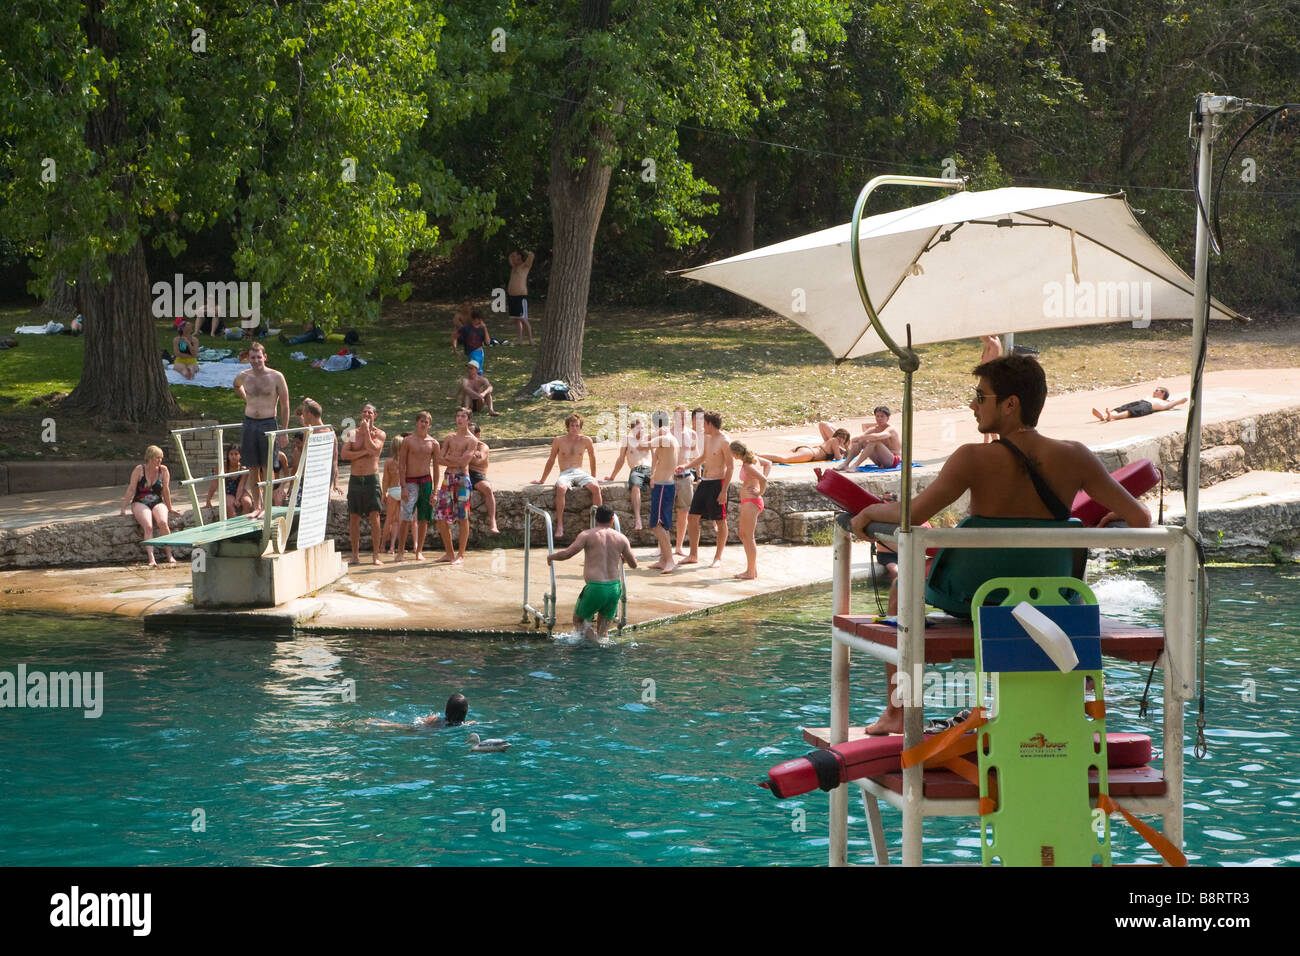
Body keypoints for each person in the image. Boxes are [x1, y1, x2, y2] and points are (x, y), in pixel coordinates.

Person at [849, 354, 1152, 734]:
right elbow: (1141, 519)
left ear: (1011, 404)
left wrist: (867, 512)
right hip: (1050, 600)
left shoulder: (972, 458)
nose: (972, 405)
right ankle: (1059, 708)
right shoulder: (1076, 456)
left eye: (980, 396)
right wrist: (1110, 518)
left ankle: (898, 712)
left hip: (975, 598)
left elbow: (911, 513)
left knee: (900, 586)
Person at [548, 505, 636, 643]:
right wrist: (623, 561)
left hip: (596, 587)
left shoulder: (587, 535)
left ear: (596, 519)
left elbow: (567, 554)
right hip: (614, 588)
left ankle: (594, 644)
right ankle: (602, 650)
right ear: (612, 520)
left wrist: (551, 557)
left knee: (579, 620)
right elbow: (634, 564)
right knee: (603, 631)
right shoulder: (621, 538)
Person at [233, 341, 290, 518]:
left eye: (259, 357)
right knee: (252, 467)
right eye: (252, 357)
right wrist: (246, 399)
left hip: (268, 423)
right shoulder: (244, 375)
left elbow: (285, 404)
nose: (256, 361)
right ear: (248, 359)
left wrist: (284, 431)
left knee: (267, 467)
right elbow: (236, 385)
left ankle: (266, 506)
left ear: (264, 357)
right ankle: (256, 506)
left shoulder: (276, 376)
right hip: (249, 422)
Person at [532, 413, 602, 539]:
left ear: (581, 427)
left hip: (579, 472)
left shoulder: (586, 440)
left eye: (577, 426)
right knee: (561, 488)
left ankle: (600, 524)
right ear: (567, 427)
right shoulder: (559, 440)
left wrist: (594, 476)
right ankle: (560, 525)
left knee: (596, 488)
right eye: (572, 426)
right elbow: (551, 459)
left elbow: (593, 458)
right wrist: (542, 480)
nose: (575, 428)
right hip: (565, 472)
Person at [678, 411, 733, 568]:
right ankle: (693, 554)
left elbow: (730, 467)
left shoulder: (725, 441)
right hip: (705, 482)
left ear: (710, 424)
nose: (701, 427)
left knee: (720, 521)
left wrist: (724, 491)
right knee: (692, 517)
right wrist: (685, 466)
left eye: (704, 424)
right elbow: (703, 457)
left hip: (718, 483)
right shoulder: (708, 439)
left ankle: (718, 557)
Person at [341, 403, 386, 565]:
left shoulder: (380, 433)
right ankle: (355, 555)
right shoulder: (352, 433)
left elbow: (374, 450)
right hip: (355, 479)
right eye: (364, 412)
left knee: (375, 517)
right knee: (354, 517)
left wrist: (366, 432)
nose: (366, 414)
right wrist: (362, 453)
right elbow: (344, 454)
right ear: (361, 414)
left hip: (371, 479)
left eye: (370, 412)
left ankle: (375, 555)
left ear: (375, 415)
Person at [119, 445, 180, 566]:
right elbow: (131, 489)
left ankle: (169, 554)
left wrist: (170, 507)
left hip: (157, 500)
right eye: (157, 458)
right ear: (150, 458)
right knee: (148, 526)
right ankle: (151, 558)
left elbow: (166, 490)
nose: (160, 460)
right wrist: (123, 508)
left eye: (161, 458)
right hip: (140, 501)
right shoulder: (139, 469)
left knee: (163, 522)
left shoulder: (163, 470)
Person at [395, 412, 440, 561]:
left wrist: (435, 491)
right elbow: (401, 465)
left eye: (426, 422)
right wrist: (402, 486)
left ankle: (419, 551)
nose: (423, 424)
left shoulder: (433, 443)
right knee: (406, 516)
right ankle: (400, 551)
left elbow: (436, 468)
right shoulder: (408, 441)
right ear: (416, 422)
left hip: (426, 481)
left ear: (430, 425)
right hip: (410, 481)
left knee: (424, 518)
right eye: (421, 421)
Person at [435, 408, 478, 564]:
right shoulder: (449, 438)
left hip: (462, 479)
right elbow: (439, 458)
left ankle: (461, 554)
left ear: (468, 419)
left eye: (463, 416)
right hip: (448, 477)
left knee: (463, 516)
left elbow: (463, 462)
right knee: (441, 516)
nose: (459, 419)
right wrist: (454, 459)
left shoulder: (472, 440)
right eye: (457, 416)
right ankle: (449, 553)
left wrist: (450, 458)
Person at [604, 415, 653, 531]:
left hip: (650, 469)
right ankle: (638, 518)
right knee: (635, 486)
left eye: (642, 428)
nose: (640, 431)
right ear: (632, 430)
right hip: (636, 470)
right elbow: (621, 459)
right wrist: (612, 476)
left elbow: (657, 456)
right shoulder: (627, 440)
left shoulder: (649, 439)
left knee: (660, 486)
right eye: (637, 428)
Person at [646, 411, 679, 574]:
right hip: (662, 485)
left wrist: (655, 434)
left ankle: (670, 560)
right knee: (660, 525)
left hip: (664, 487)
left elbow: (643, 444)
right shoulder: (668, 440)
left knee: (658, 525)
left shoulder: (666, 439)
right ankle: (663, 560)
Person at [730, 441, 768, 580]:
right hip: (749, 501)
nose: (732, 457)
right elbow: (768, 463)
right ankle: (752, 570)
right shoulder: (754, 459)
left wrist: (759, 492)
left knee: (748, 536)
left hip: (752, 502)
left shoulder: (748, 465)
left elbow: (763, 479)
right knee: (743, 535)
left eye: (732, 454)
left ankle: (750, 572)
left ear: (736, 453)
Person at [671, 407, 702, 556]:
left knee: (684, 512)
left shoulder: (692, 434)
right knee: (664, 511)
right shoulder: (667, 434)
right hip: (668, 477)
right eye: (679, 417)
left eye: (684, 417)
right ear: (674, 418)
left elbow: (696, 456)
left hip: (685, 476)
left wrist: (699, 476)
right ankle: (660, 546)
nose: (682, 419)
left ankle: (679, 546)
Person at [837, 406, 902, 471]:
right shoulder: (874, 429)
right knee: (860, 442)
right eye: (877, 416)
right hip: (879, 461)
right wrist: (852, 441)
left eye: (882, 416)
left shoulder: (891, 429)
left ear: (887, 418)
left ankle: (855, 465)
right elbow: (860, 437)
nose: (879, 418)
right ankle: (845, 463)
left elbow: (877, 436)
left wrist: (859, 437)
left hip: (892, 461)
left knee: (874, 441)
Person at [369, 693, 470, 730]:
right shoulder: (464, 725)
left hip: (420, 729)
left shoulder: (435, 719)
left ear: (447, 711)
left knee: (397, 726)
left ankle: (375, 723)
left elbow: (420, 721)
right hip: (433, 731)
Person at [761, 422, 851, 464]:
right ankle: (755, 455)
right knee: (783, 459)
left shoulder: (830, 441)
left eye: (844, 439)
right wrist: (845, 450)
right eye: (841, 437)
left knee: (776, 457)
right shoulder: (834, 440)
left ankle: (759, 456)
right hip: (810, 454)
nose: (841, 439)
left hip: (808, 451)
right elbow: (838, 457)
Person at [468, 424, 500, 535]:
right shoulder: (461, 444)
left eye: (470, 432)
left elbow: (477, 461)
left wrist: (465, 455)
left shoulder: (483, 447)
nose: (468, 435)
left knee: (487, 488)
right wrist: (471, 454)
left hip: (477, 475)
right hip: (463, 473)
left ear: (477, 435)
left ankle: (492, 521)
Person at [1092, 387, 1188, 422]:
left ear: (1163, 393)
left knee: (1129, 412)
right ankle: (1105, 415)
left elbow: (1173, 404)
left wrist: (1180, 400)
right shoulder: (1150, 397)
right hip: (1140, 402)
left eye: (1157, 390)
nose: (1154, 392)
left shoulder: (1164, 402)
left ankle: (1112, 416)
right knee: (1122, 408)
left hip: (1147, 406)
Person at [206, 445, 252, 517]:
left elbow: (241, 485)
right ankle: (234, 526)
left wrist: (237, 499)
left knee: (248, 503)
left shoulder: (243, 469)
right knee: (229, 506)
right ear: (228, 455)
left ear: (240, 456)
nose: (233, 456)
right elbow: (214, 484)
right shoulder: (222, 468)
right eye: (231, 454)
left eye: (236, 454)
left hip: (240, 491)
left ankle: (244, 524)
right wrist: (208, 500)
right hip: (227, 492)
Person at [380, 434, 406, 554]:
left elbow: (385, 479)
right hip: (403, 490)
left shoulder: (388, 462)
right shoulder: (406, 461)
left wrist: (383, 493)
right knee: (401, 520)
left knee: (389, 519)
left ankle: (382, 546)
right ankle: (398, 547)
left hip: (393, 490)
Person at [507, 249, 535, 345]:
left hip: (521, 297)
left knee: (523, 319)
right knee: (516, 319)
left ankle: (531, 340)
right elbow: (509, 259)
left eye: (515, 256)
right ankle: (519, 340)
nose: (513, 258)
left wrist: (526, 252)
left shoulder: (525, 266)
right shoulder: (514, 267)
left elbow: (531, 256)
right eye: (513, 256)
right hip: (512, 297)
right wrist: (512, 255)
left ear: (519, 257)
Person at [979, 335, 1003, 442]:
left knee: (989, 415)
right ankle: (988, 440)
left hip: (989, 385)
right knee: (986, 415)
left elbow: (982, 335)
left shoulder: (993, 342)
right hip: (987, 382)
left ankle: (991, 441)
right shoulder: (994, 342)